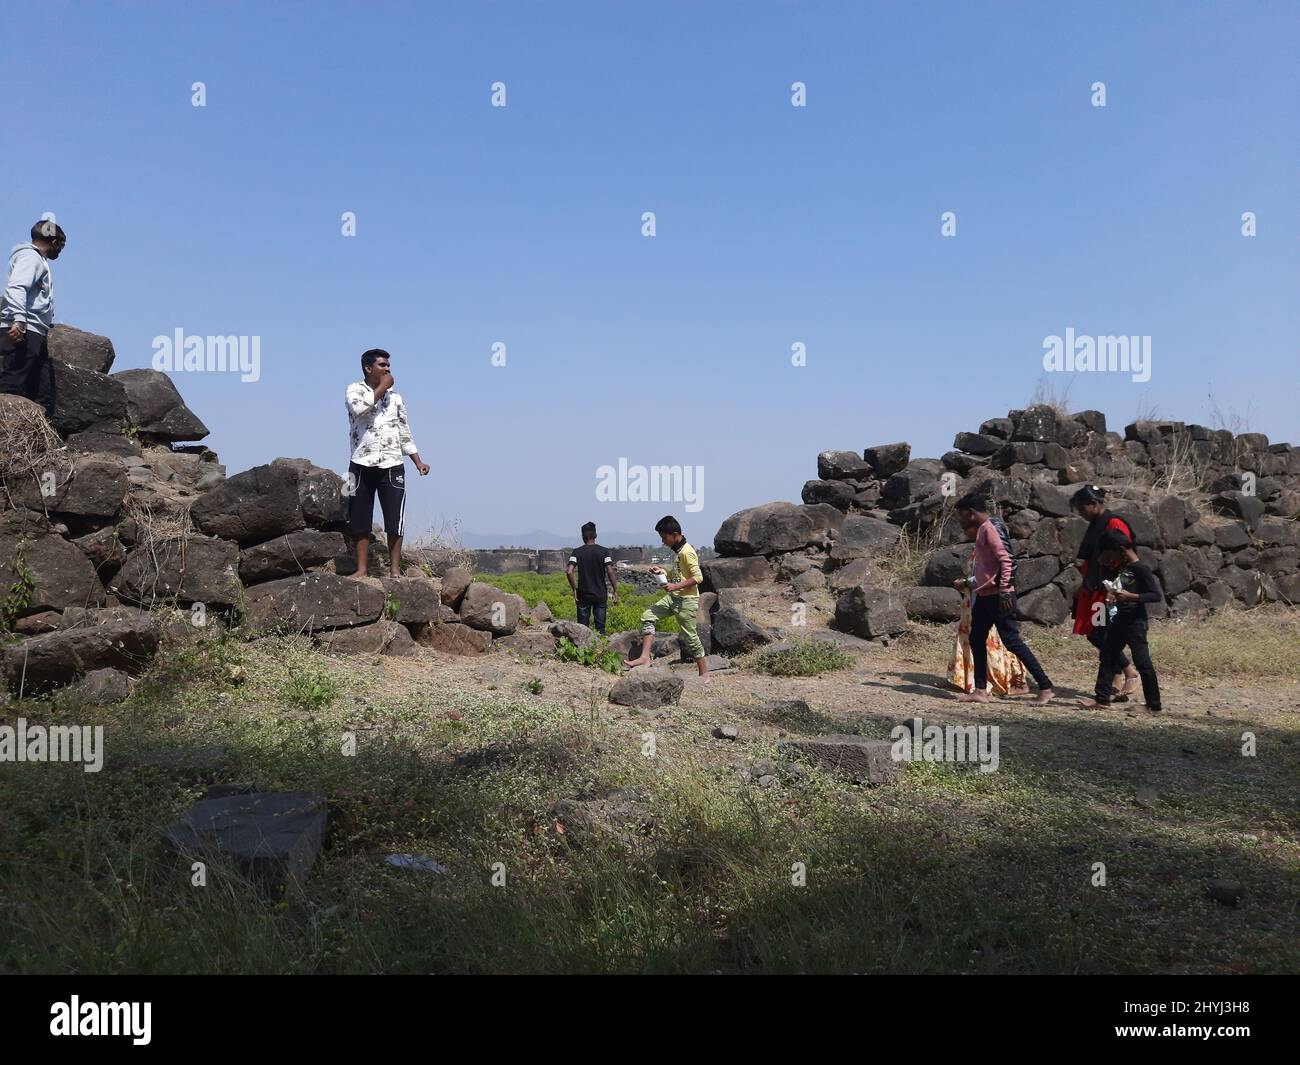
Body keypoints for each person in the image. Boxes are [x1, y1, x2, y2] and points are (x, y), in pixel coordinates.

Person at [952, 494, 1055, 704]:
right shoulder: (985, 528)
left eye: (962, 516)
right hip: (985, 595)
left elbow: (1007, 559)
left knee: (1012, 641)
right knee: (976, 638)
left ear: (971, 513)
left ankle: (1046, 687)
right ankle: (980, 690)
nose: (961, 521)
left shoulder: (990, 528)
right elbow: (988, 568)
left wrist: (1006, 590)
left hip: (998, 597)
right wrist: (971, 583)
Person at [344, 349, 429, 578]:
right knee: (360, 516)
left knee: (395, 518)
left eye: (389, 366)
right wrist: (383, 388)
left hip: (392, 463)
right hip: (360, 462)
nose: (387, 369)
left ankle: (394, 570)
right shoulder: (354, 390)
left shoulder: (396, 398)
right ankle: (361, 569)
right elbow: (360, 409)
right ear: (368, 368)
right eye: (382, 365)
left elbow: (404, 432)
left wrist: (418, 461)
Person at [1078, 531, 1163, 712]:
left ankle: (1153, 705)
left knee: (1142, 662)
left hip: (1135, 623)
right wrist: (1112, 596)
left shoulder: (1140, 568)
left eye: (1109, 553)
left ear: (1121, 550)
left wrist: (1131, 597)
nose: (1108, 558)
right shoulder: (1123, 569)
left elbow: (1155, 595)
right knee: (1107, 656)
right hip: (1119, 620)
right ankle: (1102, 700)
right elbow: (1119, 586)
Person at [1071, 485, 1141, 701]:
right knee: (1096, 632)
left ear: (1094, 504)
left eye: (1083, 508)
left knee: (1101, 633)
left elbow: (1125, 556)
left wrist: (1117, 588)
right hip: (1095, 587)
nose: (1081, 513)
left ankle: (1129, 672)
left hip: (1109, 591)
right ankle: (1117, 675)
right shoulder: (1096, 525)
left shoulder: (1114, 523)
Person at [948, 511, 1029, 696]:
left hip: (992, 598)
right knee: (980, 642)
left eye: (966, 528)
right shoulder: (979, 550)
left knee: (1003, 644)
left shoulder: (991, 545)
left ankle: (1014, 682)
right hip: (977, 600)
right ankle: (981, 687)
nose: (965, 533)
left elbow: (997, 570)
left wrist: (968, 583)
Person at [622, 515, 708, 679]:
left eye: (664, 537)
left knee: (690, 637)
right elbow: (679, 574)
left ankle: (704, 673)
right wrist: (662, 572)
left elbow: (698, 577)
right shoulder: (678, 552)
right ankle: (645, 658)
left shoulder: (687, 552)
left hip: (686, 601)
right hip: (673, 598)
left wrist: (675, 586)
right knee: (648, 616)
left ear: (675, 534)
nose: (663, 541)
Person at [0, 219, 66, 413]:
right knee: (13, 383)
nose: (60, 251)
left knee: (41, 391)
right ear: (54, 242)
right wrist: (19, 320)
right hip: (25, 329)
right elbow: (17, 286)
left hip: (35, 330)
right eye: (61, 245)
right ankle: (6, 433)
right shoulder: (32, 258)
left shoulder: (35, 259)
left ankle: (34, 436)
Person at [566, 522, 620, 634]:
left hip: (583, 594)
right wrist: (615, 590)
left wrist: (574, 589)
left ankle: (582, 650)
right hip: (600, 594)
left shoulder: (577, 552)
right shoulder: (604, 551)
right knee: (600, 629)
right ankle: (600, 650)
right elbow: (610, 570)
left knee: (581, 629)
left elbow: (569, 571)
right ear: (595, 535)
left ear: (582, 536)